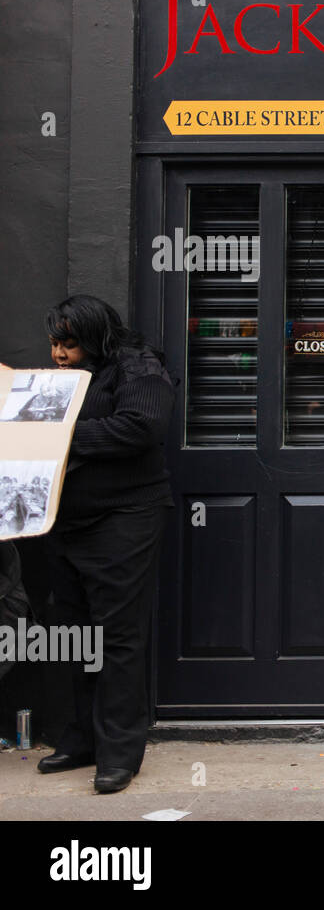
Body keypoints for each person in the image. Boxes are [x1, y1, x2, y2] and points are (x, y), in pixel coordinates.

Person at [35, 296, 174, 794]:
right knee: (72, 632)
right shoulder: (63, 377)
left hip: (125, 517)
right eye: (54, 343)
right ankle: (80, 740)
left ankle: (118, 755)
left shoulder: (138, 367)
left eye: (69, 343)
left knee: (117, 636)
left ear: (95, 337)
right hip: (65, 521)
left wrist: (58, 434)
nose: (59, 354)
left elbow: (142, 427)